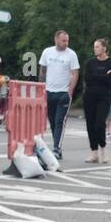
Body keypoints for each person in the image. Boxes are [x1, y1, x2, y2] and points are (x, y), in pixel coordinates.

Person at [39, 29, 80, 160]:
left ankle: (56, 148)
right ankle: (57, 147)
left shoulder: (71, 55)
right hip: (49, 92)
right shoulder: (47, 52)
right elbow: (42, 70)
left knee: (59, 122)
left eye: (67, 40)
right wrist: (42, 86)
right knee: (52, 121)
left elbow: (75, 73)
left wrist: (70, 89)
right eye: (63, 40)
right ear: (56, 40)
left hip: (63, 93)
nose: (66, 43)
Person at [83, 37, 111, 164]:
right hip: (89, 96)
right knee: (90, 124)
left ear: (104, 48)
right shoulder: (90, 63)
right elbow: (88, 79)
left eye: (97, 47)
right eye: (94, 47)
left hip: (104, 97)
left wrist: (100, 77)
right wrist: (103, 76)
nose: (95, 49)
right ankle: (93, 152)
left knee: (99, 124)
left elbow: (110, 79)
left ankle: (103, 149)